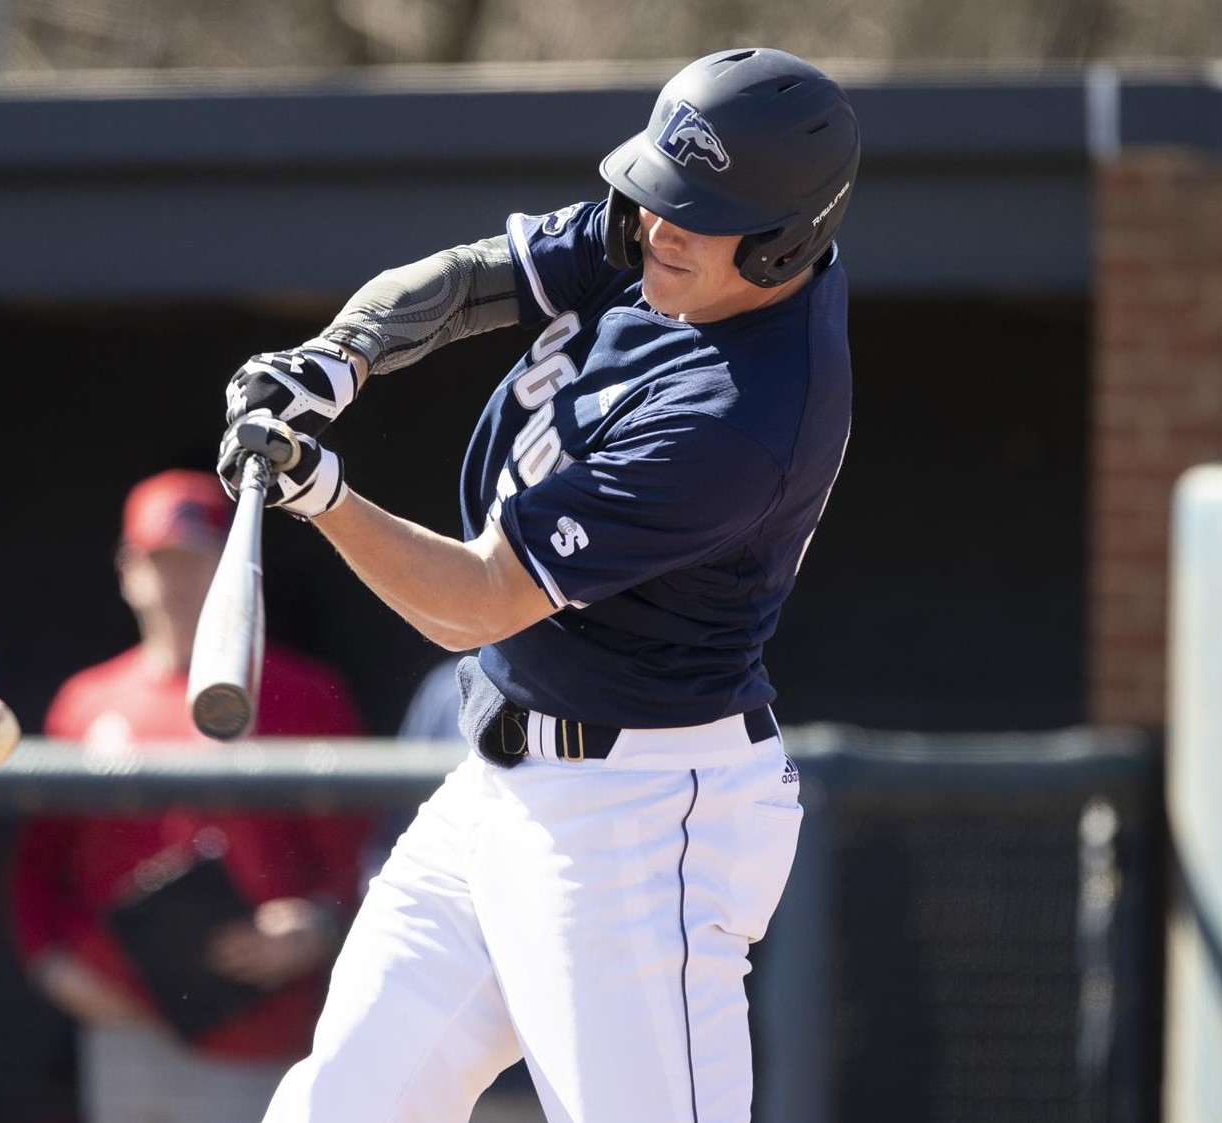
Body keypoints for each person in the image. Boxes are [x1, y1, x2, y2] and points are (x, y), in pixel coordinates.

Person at [216, 47, 858, 1123]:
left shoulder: (741, 414)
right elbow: (472, 279)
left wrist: (315, 492)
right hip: (498, 779)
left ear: (783, 242)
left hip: (639, 823)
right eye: (655, 194)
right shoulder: (672, 241)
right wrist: (337, 357)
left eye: (688, 215)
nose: (653, 227)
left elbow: (474, 600)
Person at [9, 468, 370, 1123]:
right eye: (160, 561)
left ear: (233, 564)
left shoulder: (304, 691)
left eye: (197, 560)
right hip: (124, 1019)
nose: (177, 582)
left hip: (258, 1020)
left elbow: (362, 855)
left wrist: (318, 928)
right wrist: (53, 963)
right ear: (127, 569)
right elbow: (37, 866)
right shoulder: (84, 701)